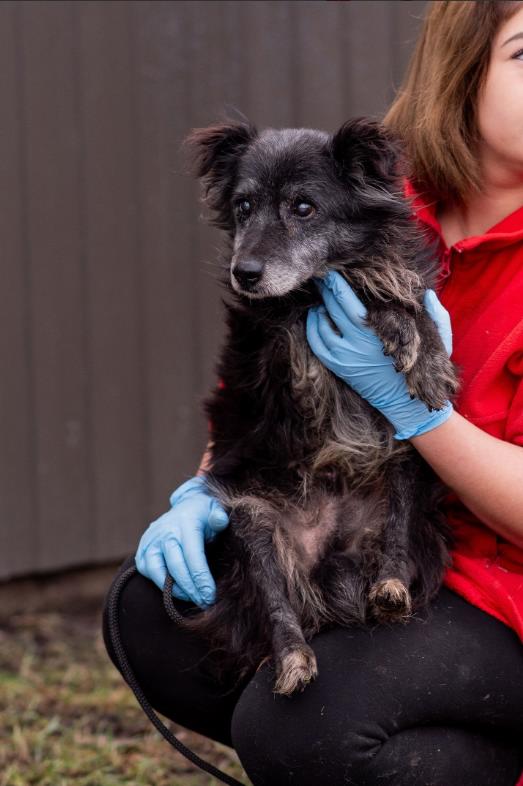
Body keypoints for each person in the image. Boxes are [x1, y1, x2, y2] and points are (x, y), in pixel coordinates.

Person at [101, 2, 523, 784]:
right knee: (146, 616)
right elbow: (255, 389)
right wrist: (207, 492)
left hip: (504, 594)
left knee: (309, 722)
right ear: (461, 70)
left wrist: (417, 413)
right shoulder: (372, 191)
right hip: (354, 537)